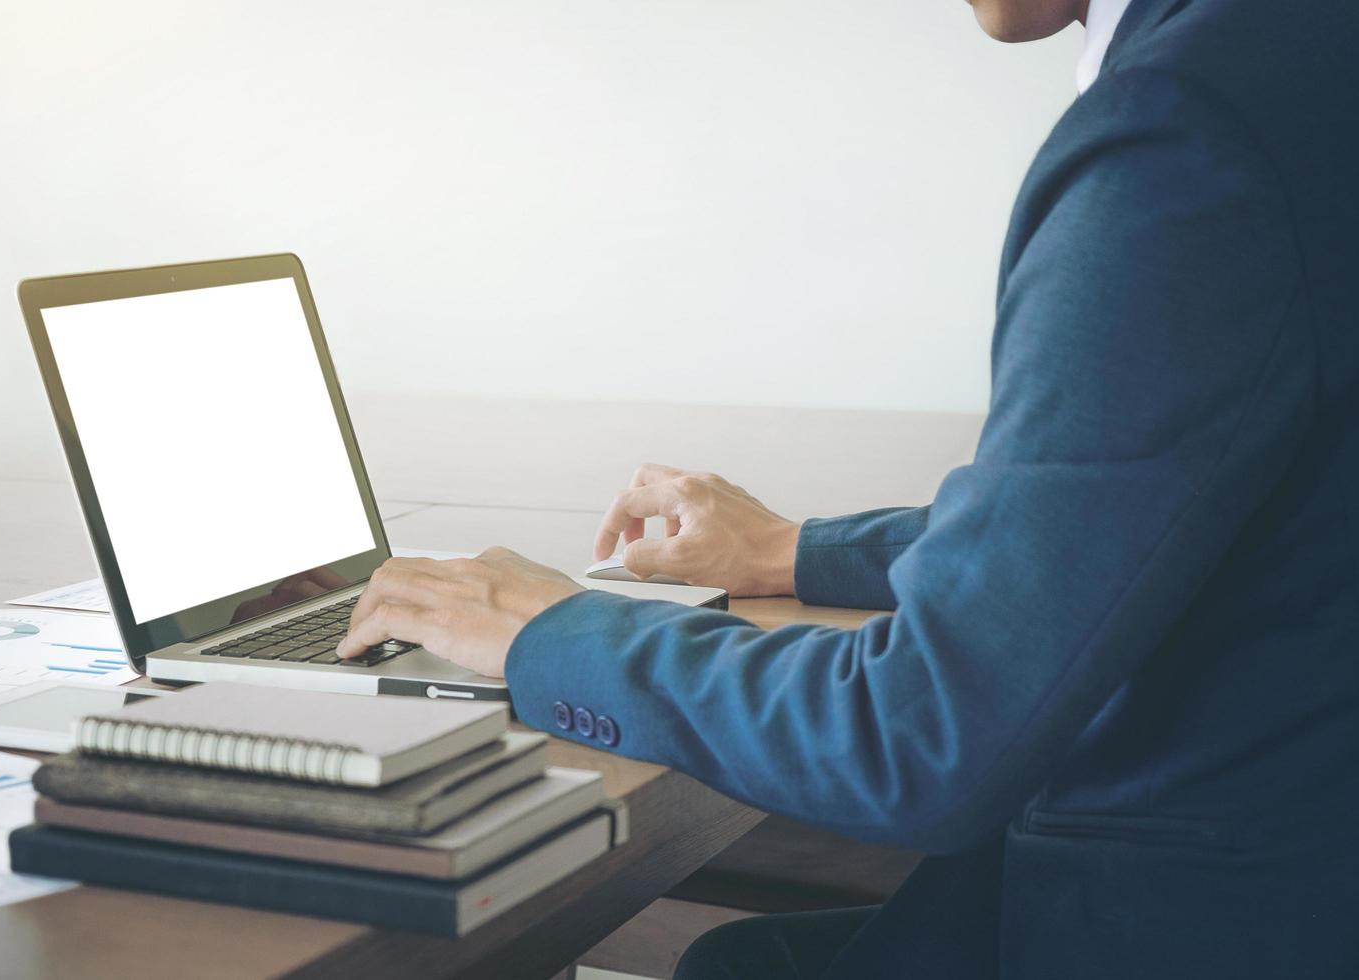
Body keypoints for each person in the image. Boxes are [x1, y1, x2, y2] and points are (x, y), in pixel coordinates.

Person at [337, 0, 1359, 975]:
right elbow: (1128, 510)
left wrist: (553, 628)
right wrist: (798, 549)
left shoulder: (1186, 134)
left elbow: (919, 732)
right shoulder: (1298, 58)